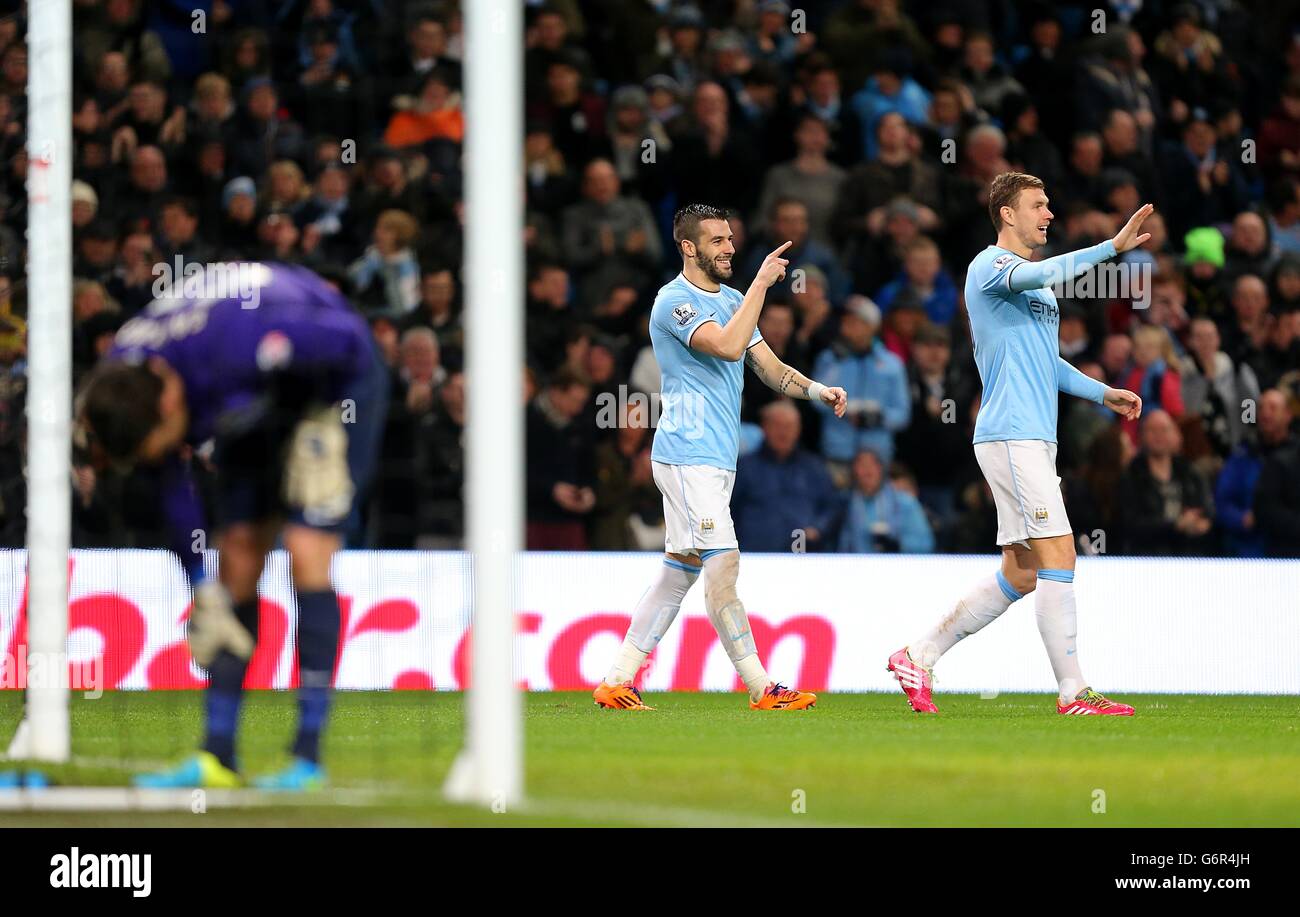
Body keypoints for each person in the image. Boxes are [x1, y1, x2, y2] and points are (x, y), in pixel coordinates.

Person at [77, 263, 386, 788]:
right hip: (249, 403)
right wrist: (200, 583)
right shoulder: (122, 379)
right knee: (236, 562)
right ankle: (217, 755)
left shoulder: (251, 339)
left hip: (331, 382)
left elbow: (351, 342)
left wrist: (326, 428)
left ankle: (306, 756)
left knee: (307, 550)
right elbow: (169, 475)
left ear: (171, 398)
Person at [888, 172, 1148, 717]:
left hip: (1029, 437)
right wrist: (1112, 248)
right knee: (1060, 555)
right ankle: (1075, 692)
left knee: (1024, 571)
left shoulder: (1035, 289)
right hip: (1011, 435)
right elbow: (1052, 270)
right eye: (1038, 204)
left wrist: (1103, 394)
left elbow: (1044, 361)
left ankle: (918, 654)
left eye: (1049, 203)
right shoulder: (991, 266)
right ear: (1008, 213)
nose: (1048, 213)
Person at [592, 203, 847, 712]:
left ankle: (617, 680)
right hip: (687, 456)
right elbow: (728, 348)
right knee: (723, 563)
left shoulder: (733, 298)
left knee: (678, 571)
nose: (729, 248)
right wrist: (761, 286)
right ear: (689, 248)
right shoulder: (674, 302)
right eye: (717, 241)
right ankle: (760, 686)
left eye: (731, 238)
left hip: (713, 459)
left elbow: (767, 367)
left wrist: (817, 390)